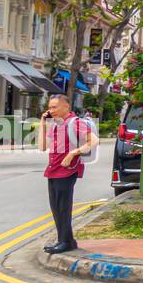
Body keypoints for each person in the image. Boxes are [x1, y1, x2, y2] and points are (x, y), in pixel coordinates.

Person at [37, 94, 98, 254]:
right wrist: (42, 123)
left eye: (54, 107)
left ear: (66, 107)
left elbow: (94, 141)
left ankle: (65, 241)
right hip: (53, 170)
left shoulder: (75, 123)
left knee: (63, 207)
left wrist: (73, 153)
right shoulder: (56, 124)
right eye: (49, 107)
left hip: (67, 171)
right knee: (56, 207)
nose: (51, 110)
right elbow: (43, 147)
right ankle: (67, 240)